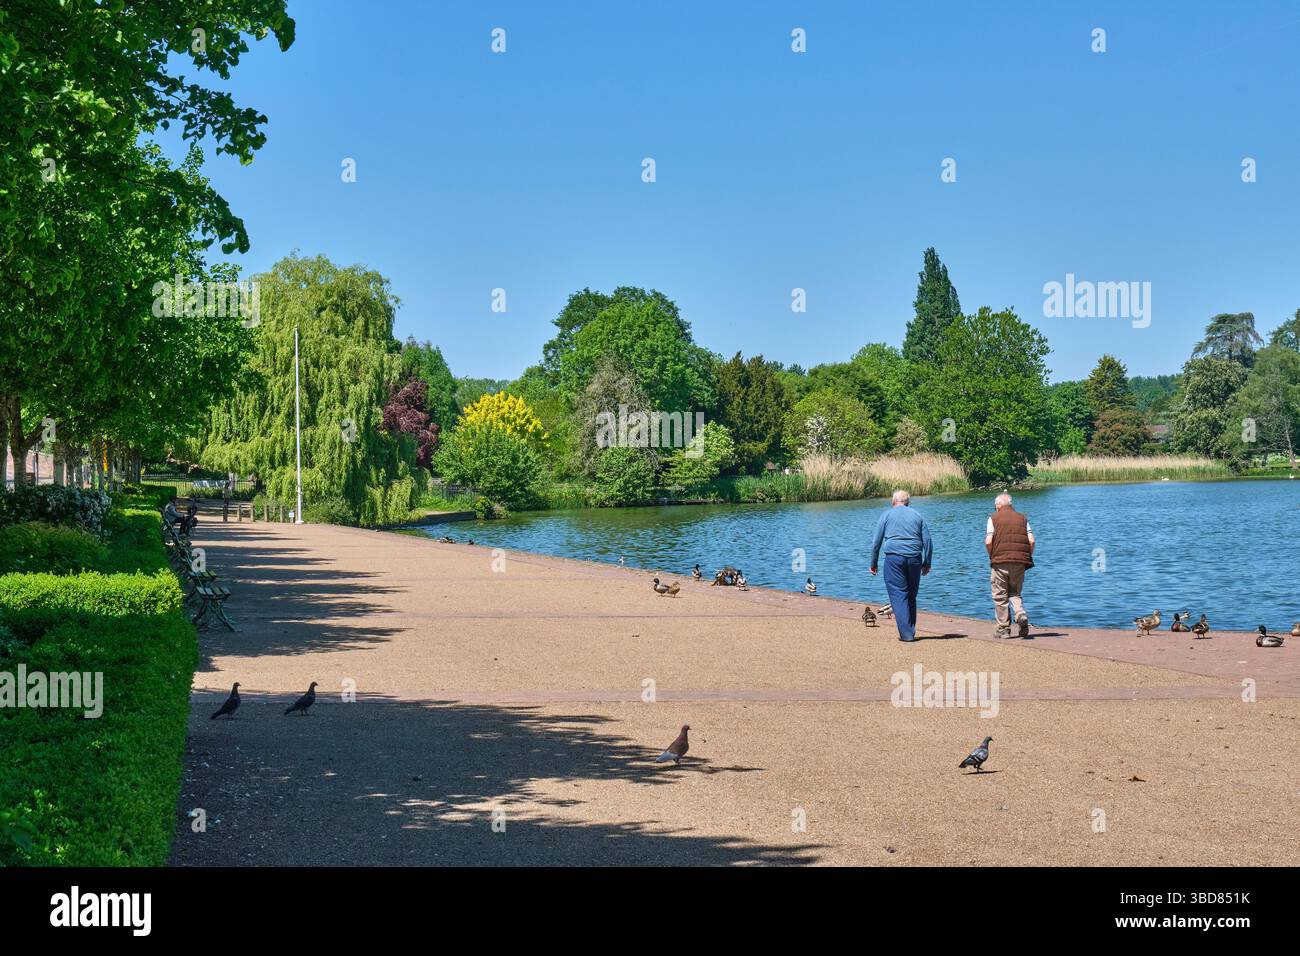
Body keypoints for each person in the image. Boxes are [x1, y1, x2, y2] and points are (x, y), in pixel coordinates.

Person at [869, 489, 933, 642]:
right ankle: (910, 630)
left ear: (893, 502)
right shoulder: (917, 515)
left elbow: (876, 543)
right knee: (911, 595)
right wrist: (927, 562)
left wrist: (873, 563)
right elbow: (928, 541)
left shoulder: (886, 515)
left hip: (894, 559)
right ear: (908, 503)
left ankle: (907, 634)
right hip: (914, 559)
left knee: (899, 595)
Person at [985, 492, 1034, 638]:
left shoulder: (993, 518)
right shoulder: (1023, 518)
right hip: (1019, 562)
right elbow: (1031, 540)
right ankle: (1020, 613)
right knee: (1015, 593)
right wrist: (1027, 556)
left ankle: (1004, 629)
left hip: (1000, 562)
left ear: (999, 505)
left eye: (996, 505)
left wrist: (992, 555)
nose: (995, 508)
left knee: (1000, 595)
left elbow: (988, 541)